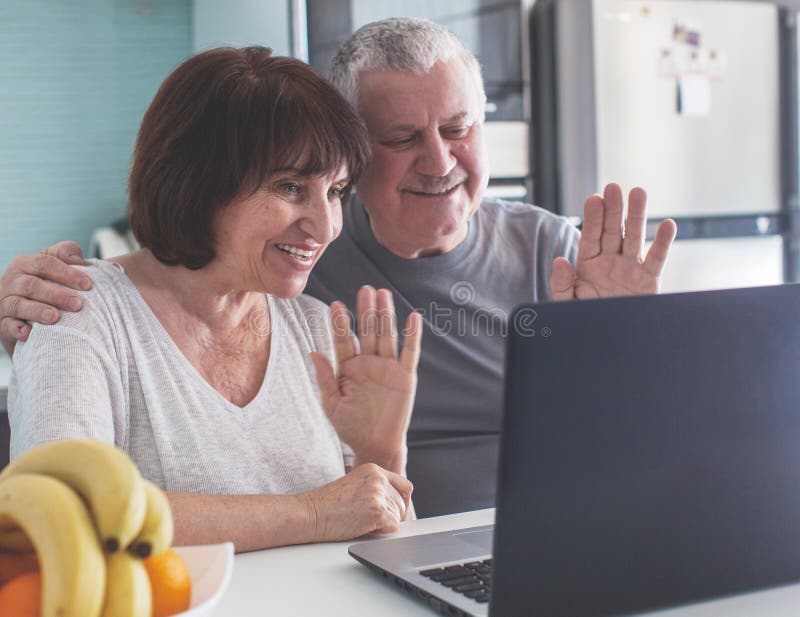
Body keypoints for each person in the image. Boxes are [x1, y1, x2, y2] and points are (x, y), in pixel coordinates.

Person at [0, 19, 676, 517]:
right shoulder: (94, 308)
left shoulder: (322, 319)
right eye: (402, 138)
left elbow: (380, 509)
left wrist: (625, 345)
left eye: (460, 127)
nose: (324, 224)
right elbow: (59, 510)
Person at [6, 46, 425, 553]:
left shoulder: (316, 328)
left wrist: (381, 453)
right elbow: (62, 513)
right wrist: (315, 512)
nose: (325, 224)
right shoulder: (76, 311)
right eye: (291, 187)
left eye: (335, 190)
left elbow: (386, 548)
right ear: (196, 185)